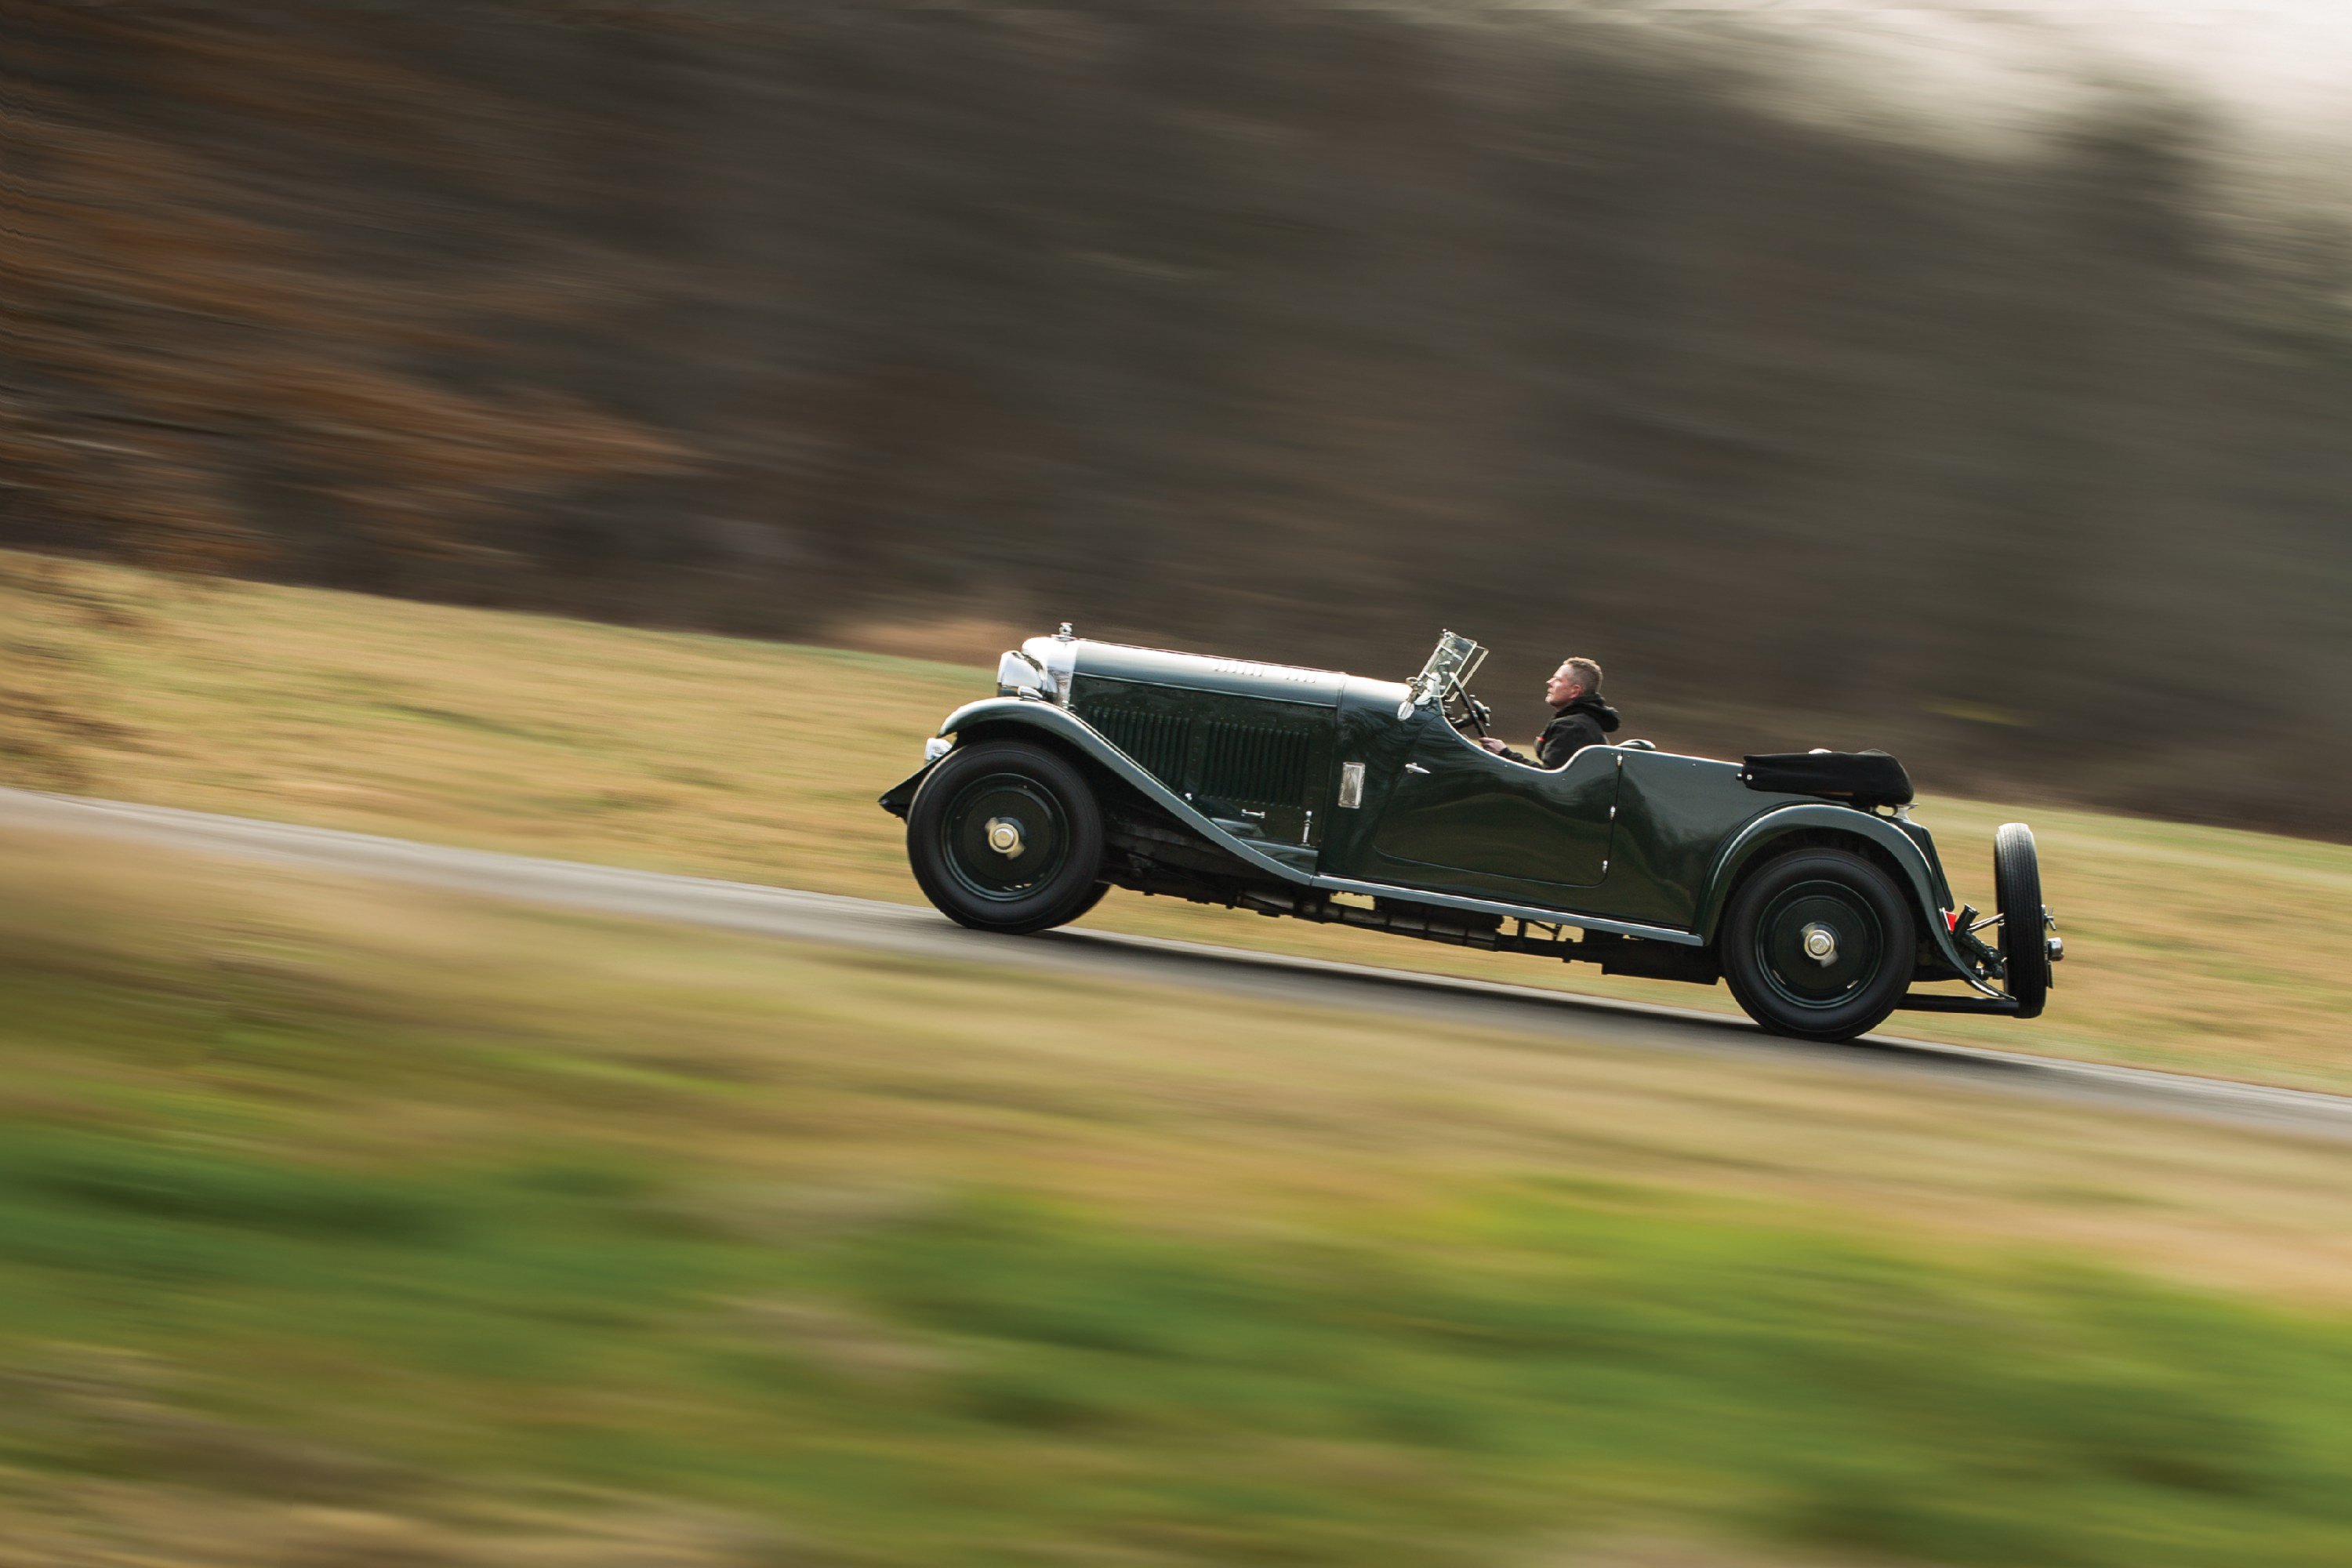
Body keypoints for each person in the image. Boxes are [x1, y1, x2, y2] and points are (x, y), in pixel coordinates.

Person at [1481, 656, 1619, 768]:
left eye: (1558, 680)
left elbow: (1550, 780)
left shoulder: (1573, 727)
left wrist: (1504, 753)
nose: (1549, 682)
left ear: (1575, 691)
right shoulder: (1580, 721)